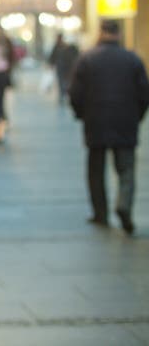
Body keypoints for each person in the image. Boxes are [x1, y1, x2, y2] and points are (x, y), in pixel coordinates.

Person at [69, 20, 149, 234]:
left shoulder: (87, 59)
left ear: (101, 32)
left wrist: (81, 114)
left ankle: (100, 213)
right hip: (126, 121)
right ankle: (124, 204)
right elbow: (144, 93)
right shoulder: (132, 59)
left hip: (96, 120)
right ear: (119, 34)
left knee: (95, 170)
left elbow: (75, 93)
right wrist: (137, 116)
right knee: (126, 169)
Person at [48, 33, 79, 105]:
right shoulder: (58, 46)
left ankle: (64, 94)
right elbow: (53, 56)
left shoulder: (66, 47)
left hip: (66, 67)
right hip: (62, 67)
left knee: (65, 81)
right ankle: (63, 94)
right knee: (62, 81)